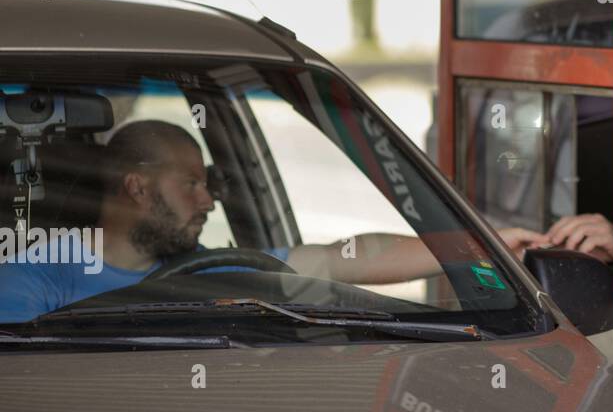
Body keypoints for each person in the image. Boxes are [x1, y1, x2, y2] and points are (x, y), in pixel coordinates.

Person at [0, 120, 443, 322]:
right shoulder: (37, 275)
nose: (209, 200)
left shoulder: (215, 270)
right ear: (137, 188)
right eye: (191, 184)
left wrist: (468, 249)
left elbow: (341, 260)